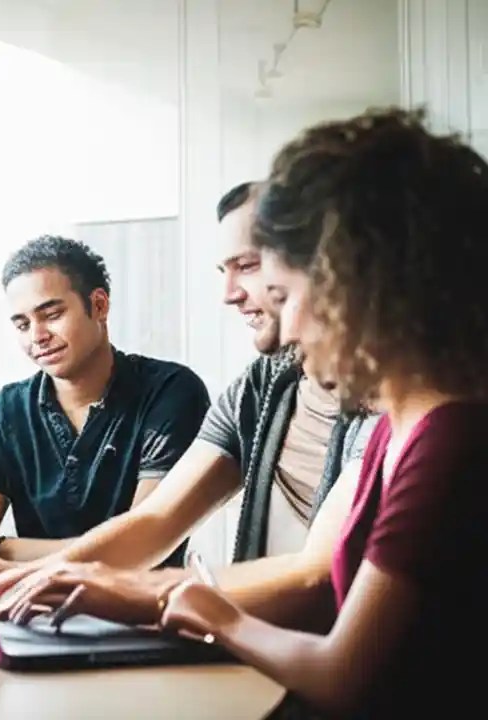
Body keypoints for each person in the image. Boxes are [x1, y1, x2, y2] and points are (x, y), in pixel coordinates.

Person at [155, 107, 488, 717]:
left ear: (360, 290)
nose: (286, 327)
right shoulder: (397, 425)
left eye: (284, 297)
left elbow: (342, 674)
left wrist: (219, 616)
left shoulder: (451, 440)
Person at [0, 186, 379, 630]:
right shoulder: (261, 384)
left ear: (323, 266)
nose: (228, 293)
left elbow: (317, 575)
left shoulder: (390, 405)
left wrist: (129, 592)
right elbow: (156, 520)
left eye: (247, 266)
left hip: (316, 660)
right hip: (255, 648)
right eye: (223, 270)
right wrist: (37, 575)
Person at [0, 235, 210, 565]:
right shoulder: (7, 411)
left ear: (100, 305)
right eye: (22, 324)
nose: (37, 336)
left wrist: (7, 549)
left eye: (52, 314)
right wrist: (102, 549)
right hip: (29, 610)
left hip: (139, 610)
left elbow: (142, 547)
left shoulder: (171, 392)